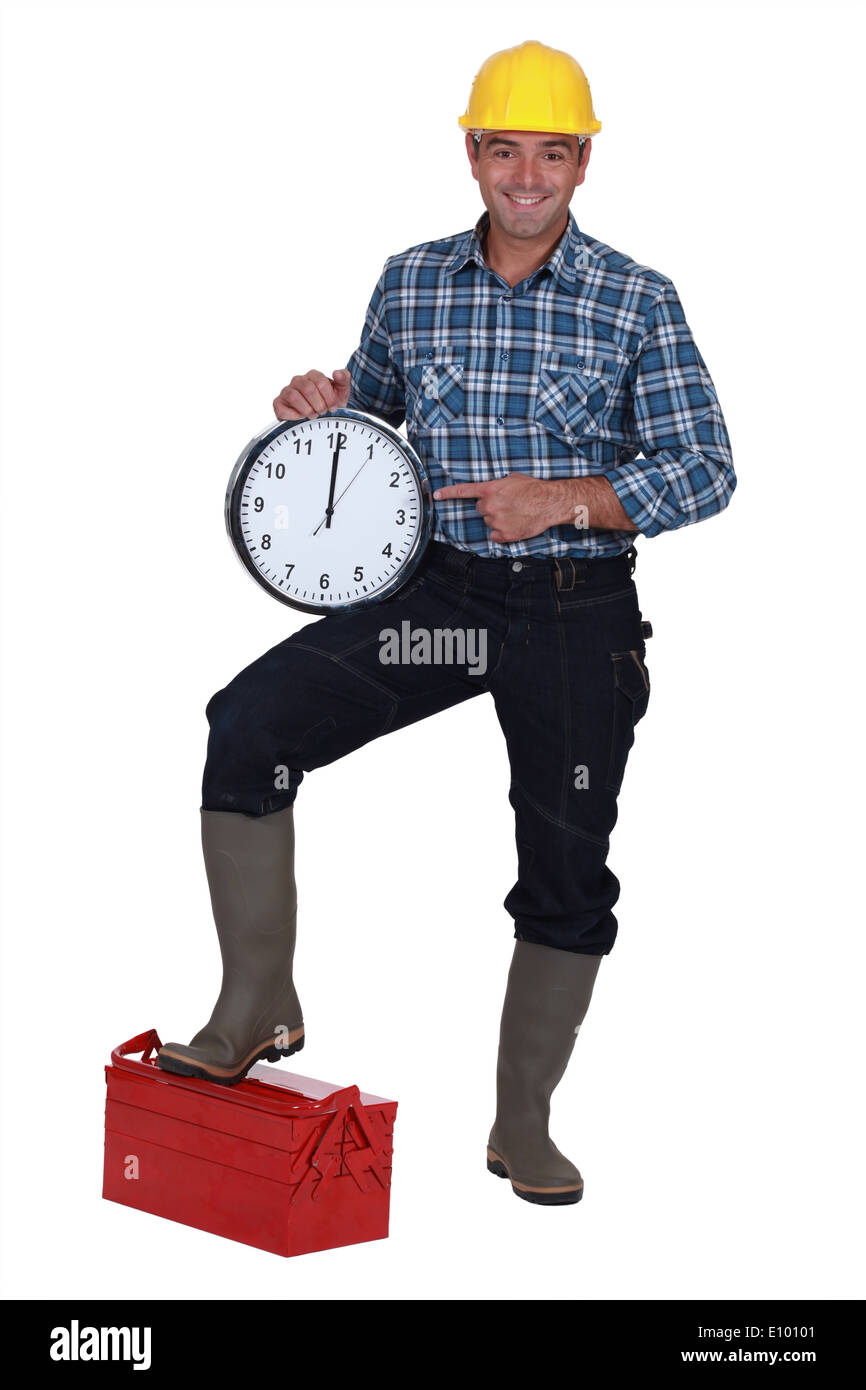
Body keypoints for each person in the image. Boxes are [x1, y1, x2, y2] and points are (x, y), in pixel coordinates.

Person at [158, 39, 735, 1206]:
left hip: (575, 619)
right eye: (503, 147)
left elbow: (708, 468)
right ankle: (257, 1003)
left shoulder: (637, 298)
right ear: (470, 152)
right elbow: (365, 422)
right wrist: (317, 399)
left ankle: (521, 1121)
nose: (526, 172)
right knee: (250, 723)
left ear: (583, 162)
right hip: (446, 606)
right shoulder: (411, 280)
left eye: (552, 151)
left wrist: (564, 500)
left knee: (564, 869)